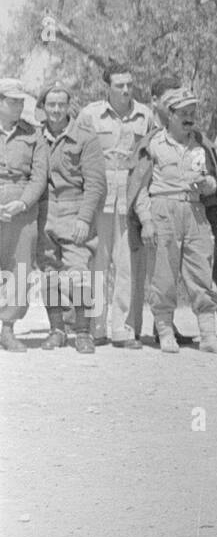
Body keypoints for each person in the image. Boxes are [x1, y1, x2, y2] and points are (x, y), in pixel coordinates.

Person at [136, 88, 217, 356]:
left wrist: (207, 184)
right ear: (170, 114)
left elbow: (214, 184)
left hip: (195, 211)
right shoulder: (153, 145)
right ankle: (165, 332)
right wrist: (146, 221)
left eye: (192, 113)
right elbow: (140, 188)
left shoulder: (202, 145)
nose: (189, 118)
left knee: (201, 271)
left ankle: (209, 336)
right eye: (183, 113)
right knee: (163, 275)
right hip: (162, 210)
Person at [74, 61, 154, 345]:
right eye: (119, 85)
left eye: (129, 84)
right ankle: (96, 327)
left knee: (126, 264)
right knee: (99, 261)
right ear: (107, 87)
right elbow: (77, 154)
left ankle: (123, 329)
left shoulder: (145, 115)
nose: (125, 90)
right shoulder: (90, 114)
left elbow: (148, 158)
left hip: (131, 193)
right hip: (100, 192)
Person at [36, 84, 106, 353]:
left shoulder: (85, 138)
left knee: (79, 274)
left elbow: (96, 184)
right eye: (51, 104)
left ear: (69, 106)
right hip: (45, 213)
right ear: (43, 106)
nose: (56, 110)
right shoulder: (36, 137)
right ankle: (56, 330)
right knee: (49, 274)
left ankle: (83, 332)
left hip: (74, 211)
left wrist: (84, 219)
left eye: (61, 104)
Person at [0, 79, 51, 352]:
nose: (19, 105)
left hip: (21, 209)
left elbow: (39, 175)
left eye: (21, 101)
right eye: (12, 101)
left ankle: (7, 328)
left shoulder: (33, 134)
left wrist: (22, 203)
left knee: (20, 270)